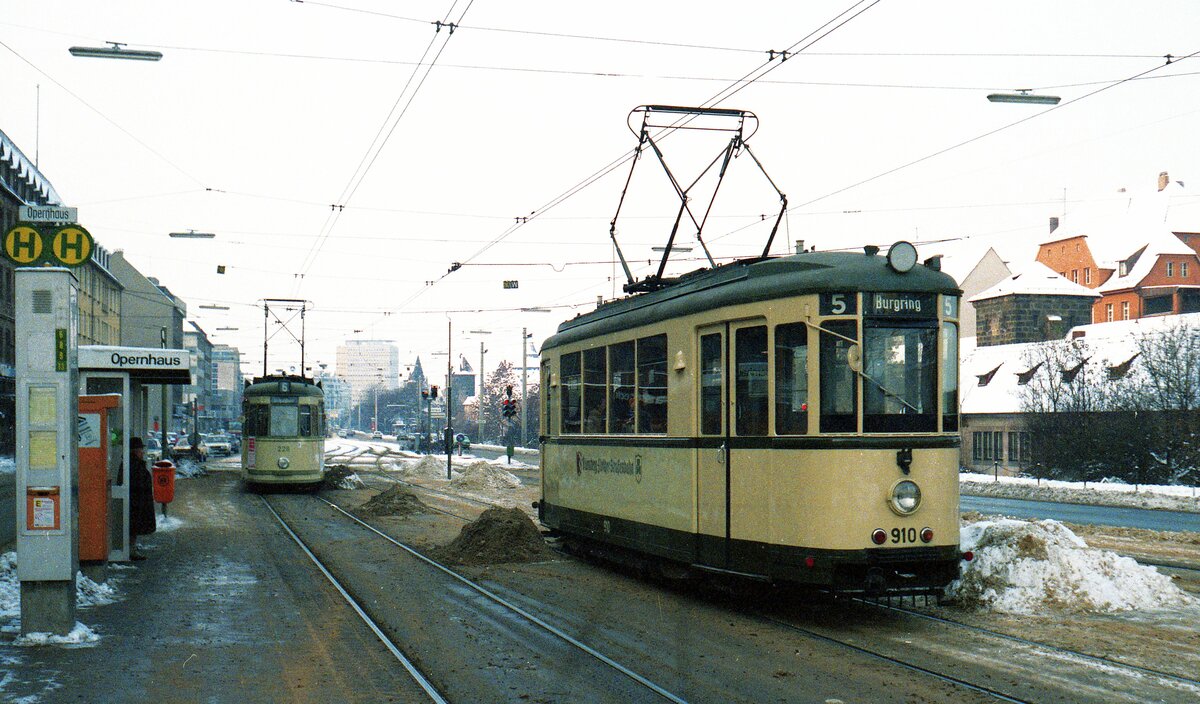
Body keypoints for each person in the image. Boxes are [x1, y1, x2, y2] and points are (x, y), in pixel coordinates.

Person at [128, 437, 156, 561]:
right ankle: (130, 550)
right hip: (135, 500)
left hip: (137, 500)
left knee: (134, 526)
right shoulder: (133, 465)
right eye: (140, 450)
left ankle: (131, 548)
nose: (142, 452)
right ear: (134, 451)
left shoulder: (133, 463)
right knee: (133, 526)